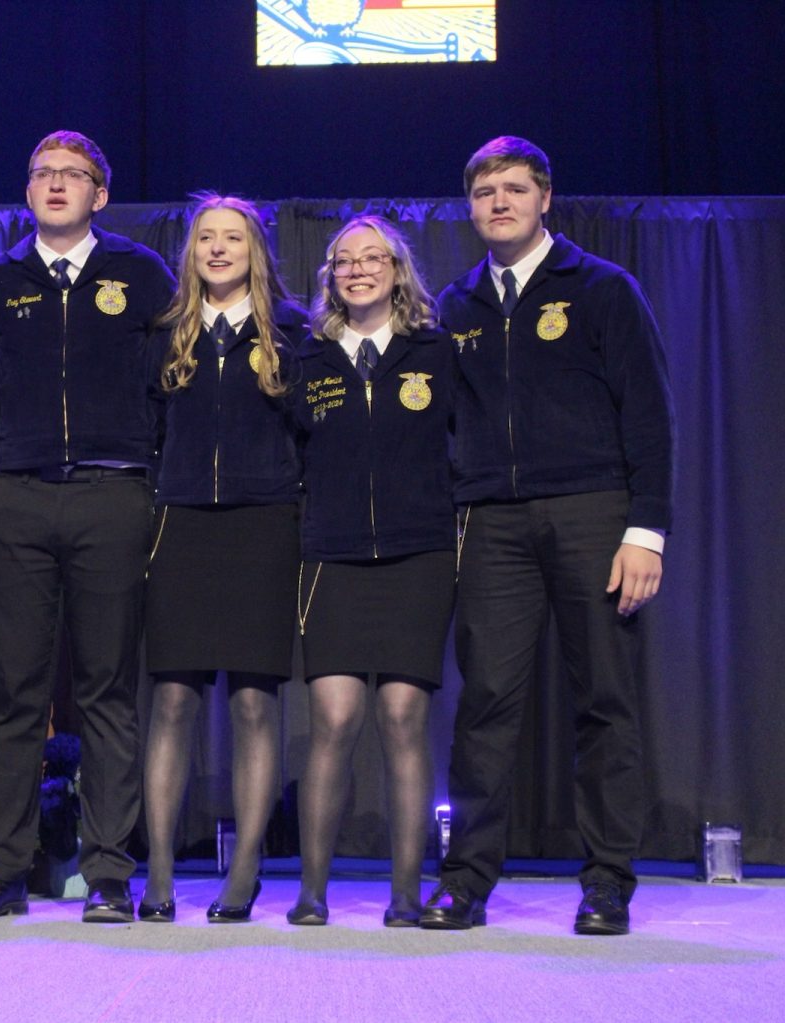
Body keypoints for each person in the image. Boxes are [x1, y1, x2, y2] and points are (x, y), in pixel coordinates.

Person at [419, 137, 674, 936]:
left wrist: (646, 530)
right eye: (485, 191)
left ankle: (607, 882)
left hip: (594, 513)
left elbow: (651, 414)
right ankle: (465, 880)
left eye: (515, 188)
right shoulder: (455, 305)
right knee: (485, 701)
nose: (499, 202)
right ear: (470, 206)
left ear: (545, 199)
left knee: (605, 699)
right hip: (492, 522)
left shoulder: (602, 288)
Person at [0, 131, 177, 922]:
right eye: (42, 173)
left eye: (73, 175)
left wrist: (147, 462)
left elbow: (171, 377)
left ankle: (108, 873)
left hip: (114, 493)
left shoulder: (140, 273)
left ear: (100, 195)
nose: (56, 184)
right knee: (12, 691)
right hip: (21, 496)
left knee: (107, 689)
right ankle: (3, 870)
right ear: (28, 190)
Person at [139, 195, 305, 924]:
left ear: (255, 249)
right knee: (173, 699)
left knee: (253, 703)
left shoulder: (293, 332)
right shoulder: (165, 333)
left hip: (262, 526)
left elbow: (312, 432)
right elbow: (143, 430)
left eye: (232, 237)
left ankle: (244, 869)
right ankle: (160, 872)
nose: (217, 248)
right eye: (205, 237)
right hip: (180, 527)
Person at [288, 215, 456, 927]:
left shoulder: (436, 351)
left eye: (372, 258)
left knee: (402, 716)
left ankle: (405, 894)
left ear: (397, 270)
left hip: (419, 556)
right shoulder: (307, 358)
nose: (357, 270)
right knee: (334, 717)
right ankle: (311, 892)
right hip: (332, 557)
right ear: (330, 277)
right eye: (344, 261)